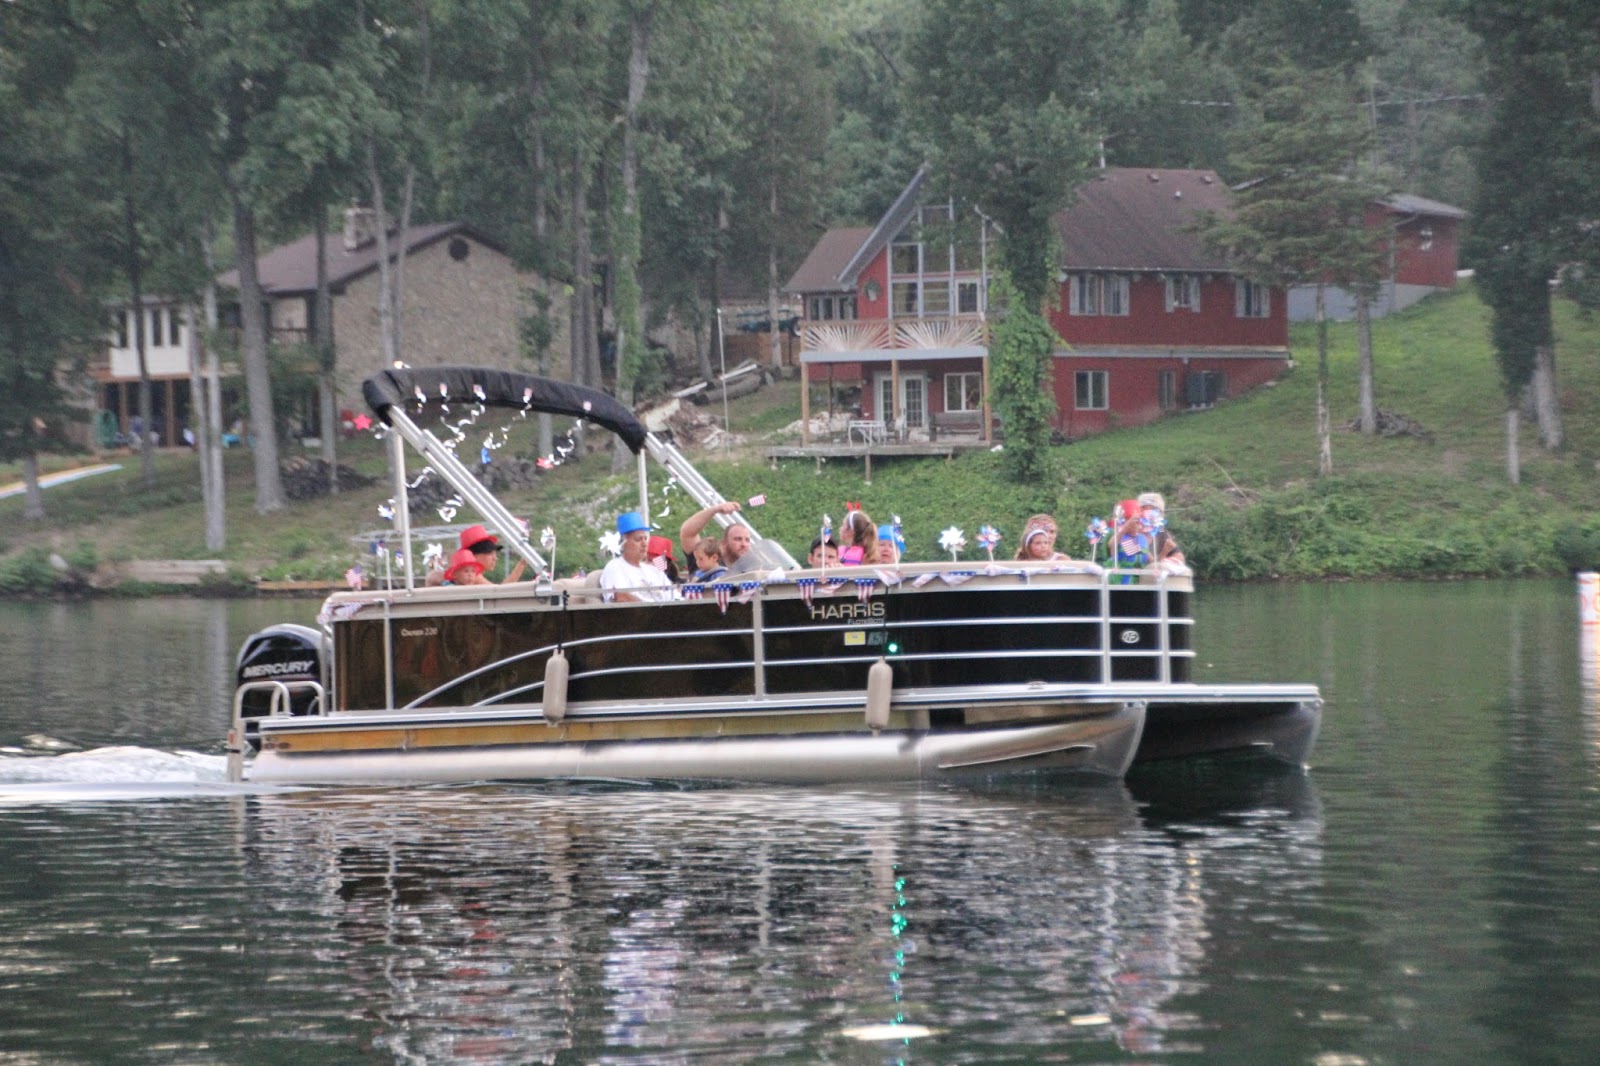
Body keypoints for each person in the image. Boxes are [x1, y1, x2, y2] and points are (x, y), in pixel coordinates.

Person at [601, 512, 676, 603]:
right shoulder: (615, 567)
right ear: (623, 544)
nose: (644, 544)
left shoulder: (654, 571)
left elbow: (674, 596)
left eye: (645, 539)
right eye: (638, 539)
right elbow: (621, 598)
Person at [427, 524, 527, 587]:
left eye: (495, 554)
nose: (495, 558)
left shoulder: (463, 575)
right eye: (489, 553)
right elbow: (500, 592)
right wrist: (521, 565)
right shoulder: (474, 577)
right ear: (473, 555)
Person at [678, 501, 754, 573]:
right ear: (724, 543)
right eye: (738, 539)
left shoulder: (749, 569)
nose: (744, 544)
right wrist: (715, 509)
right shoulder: (706, 559)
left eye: (747, 540)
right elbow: (687, 533)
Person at [1136, 492, 1187, 568]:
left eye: (1154, 509)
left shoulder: (1160, 530)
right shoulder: (1134, 533)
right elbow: (1150, 565)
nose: (1149, 513)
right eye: (1144, 508)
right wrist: (1164, 552)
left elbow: (1179, 556)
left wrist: (1168, 561)